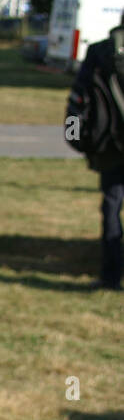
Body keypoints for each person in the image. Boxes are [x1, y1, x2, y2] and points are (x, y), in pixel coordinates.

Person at [70, 16, 124, 290]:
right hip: (110, 142)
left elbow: (78, 99)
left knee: (112, 206)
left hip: (110, 144)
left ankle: (111, 276)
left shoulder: (100, 52)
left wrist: (76, 139)